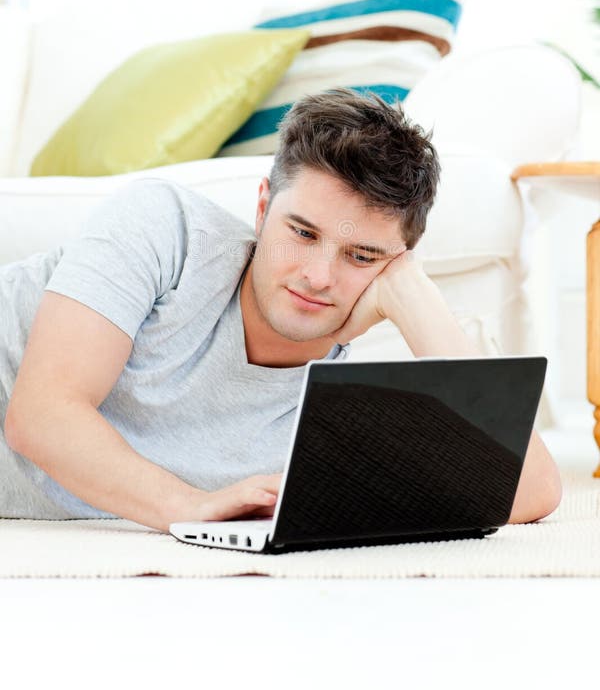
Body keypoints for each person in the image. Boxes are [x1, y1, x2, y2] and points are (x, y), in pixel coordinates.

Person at [0, 89, 561, 532]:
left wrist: (417, 301)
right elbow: (41, 415)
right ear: (264, 204)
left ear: (397, 260)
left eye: (361, 255)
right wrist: (189, 506)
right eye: (301, 231)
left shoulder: (337, 412)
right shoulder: (166, 229)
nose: (318, 276)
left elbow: (532, 489)